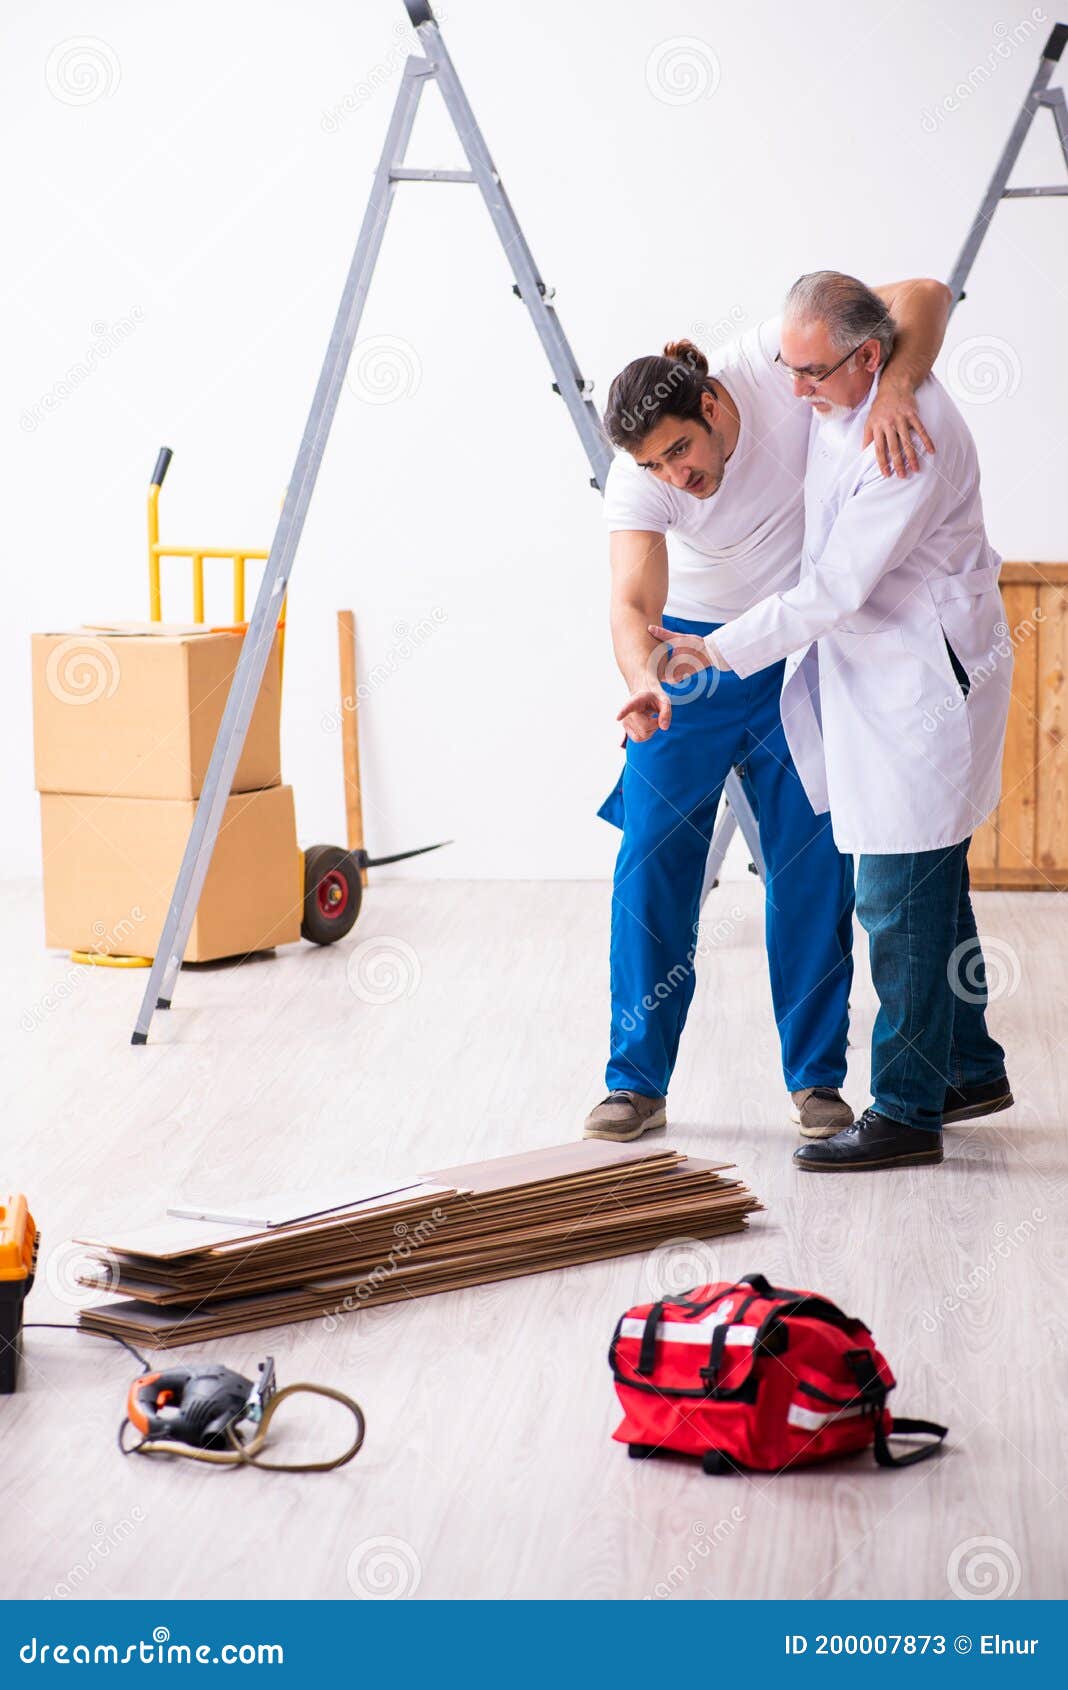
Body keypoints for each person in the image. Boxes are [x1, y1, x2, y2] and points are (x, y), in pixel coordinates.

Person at [649, 271, 1013, 1172]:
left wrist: (711, 650)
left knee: (894, 893)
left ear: (869, 354)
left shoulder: (907, 440)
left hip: (921, 681)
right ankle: (966, 1067)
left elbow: (833, 591)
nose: (795, 389)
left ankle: (905, 1110)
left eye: (812, 374)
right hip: (881, 673)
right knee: (930, 876)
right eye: (790, 367)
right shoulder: (844, 391)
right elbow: (913, 300)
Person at [585, 278, 953, 1145]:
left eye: (682, 450)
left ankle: (817, 1078)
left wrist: (897, 384)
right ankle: (635, 1081)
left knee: (811, 866)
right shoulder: (641, 483)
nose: (679, 477)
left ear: (713, 404)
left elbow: (924, 295)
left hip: (799, 648)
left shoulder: (767, 364)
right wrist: (642, 675)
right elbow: (630, 597)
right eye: (656, 467)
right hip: (692, 665)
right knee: (652, 864)